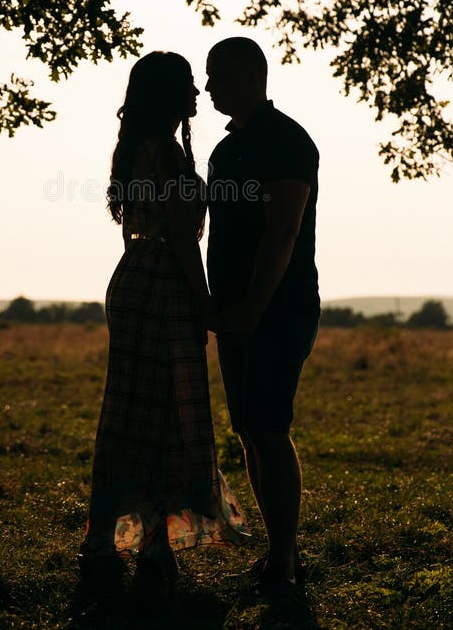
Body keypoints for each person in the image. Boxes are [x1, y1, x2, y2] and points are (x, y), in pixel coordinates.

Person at [78, 51, 252, 587]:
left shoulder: (146, 149)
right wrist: (202, 303)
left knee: (140, 413)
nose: (198, 95)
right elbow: (180, 235)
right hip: (162, 284)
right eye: (187, 88)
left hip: (137, 275)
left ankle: (135, 546)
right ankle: (124, 547)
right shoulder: (162, 152)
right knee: (159, 412)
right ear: (167, 96)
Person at [205, 37, 320, 597]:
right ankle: (285, 550)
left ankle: (283, 559)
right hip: (233, 313)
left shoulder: (287, 141)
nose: (208, 89)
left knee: (270, 428)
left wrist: (253, 307)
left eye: (219, 77)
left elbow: (284, 231)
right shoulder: (225, 151)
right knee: (249, 430)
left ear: (253, 75)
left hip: (279, 308)